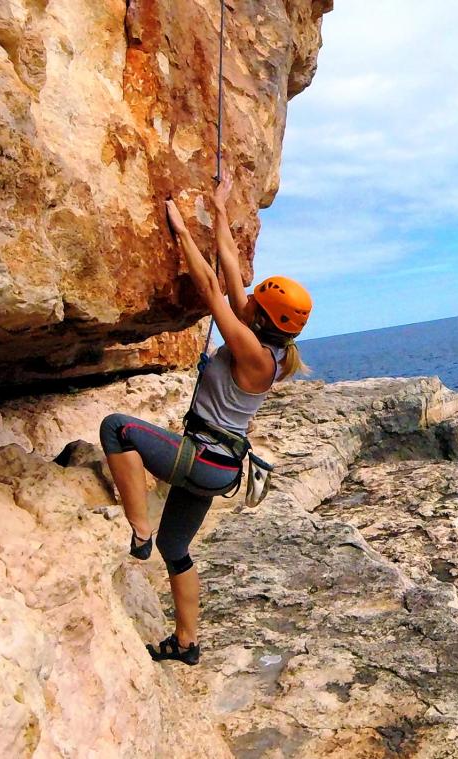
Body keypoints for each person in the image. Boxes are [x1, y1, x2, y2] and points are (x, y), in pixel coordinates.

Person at [98, 174, 312, 665]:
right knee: (179, 548)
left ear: (264, 313)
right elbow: (232, 272)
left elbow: (213, 289)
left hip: (204, 460)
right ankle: (187, 643)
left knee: (116, 427)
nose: (249, 296)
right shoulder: (270, 345)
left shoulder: (255, 354)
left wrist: (179, 230)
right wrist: (218, 210)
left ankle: (138, 530)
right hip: (219, 466)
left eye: (257, 297)